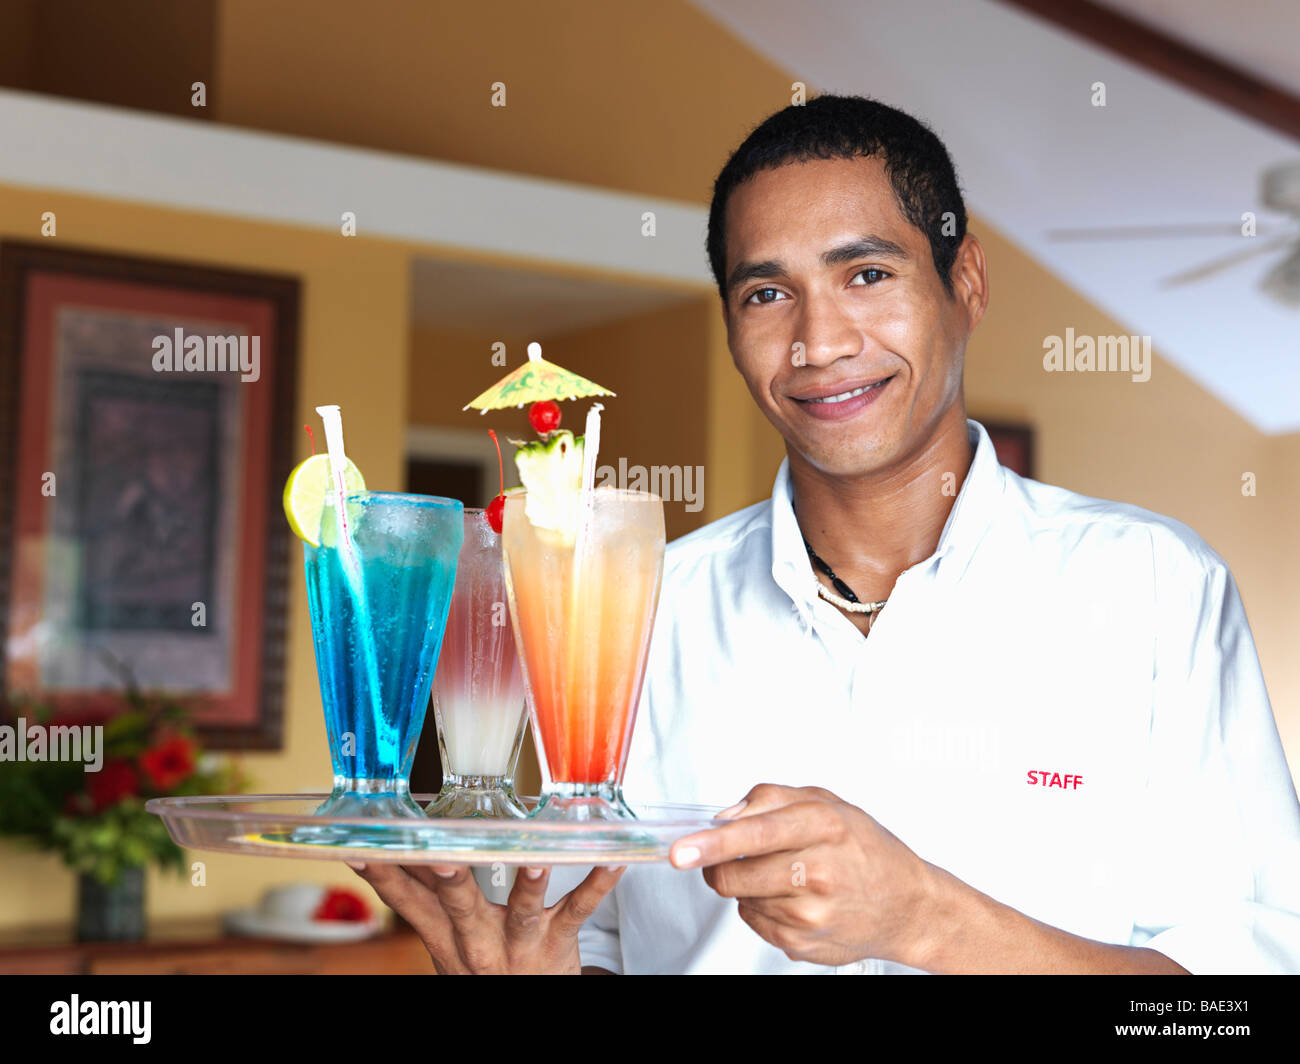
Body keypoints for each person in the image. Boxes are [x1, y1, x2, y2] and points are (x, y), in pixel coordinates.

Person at [349, 94, 1300, 974]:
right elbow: (586, 943)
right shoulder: (635, 613)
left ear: (964, 280)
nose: (820, 343)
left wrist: (924, 915)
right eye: (768, 295)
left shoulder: (1153, 588)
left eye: (868, 274)